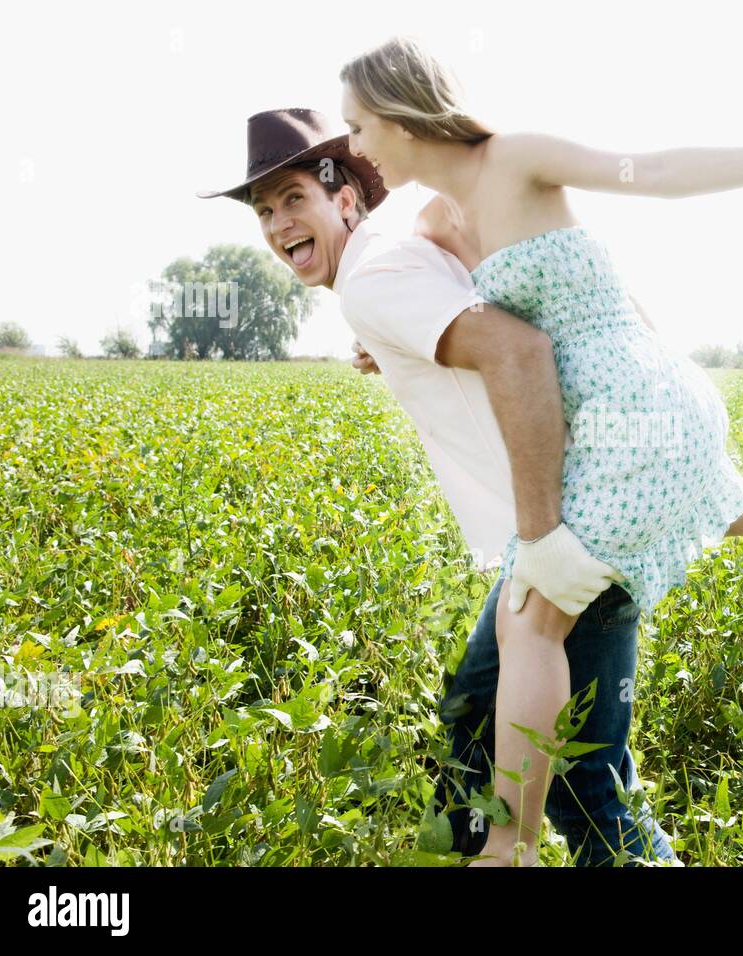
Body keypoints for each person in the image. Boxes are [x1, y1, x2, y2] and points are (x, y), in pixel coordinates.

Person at [337, 35, 743, 866]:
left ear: (399, 111)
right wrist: (383, 347)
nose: (354, 147)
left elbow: (657, 171)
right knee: (719, 498)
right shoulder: (439, 217)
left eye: (358, 124)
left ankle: (508, 847)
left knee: (530, 612)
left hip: (630, 404)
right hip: (634, 407)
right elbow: (437, 307)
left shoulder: (515, 158)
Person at [199, 108, 674, 865]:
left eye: (295, 198)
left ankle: (507, 849)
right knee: (473, 717)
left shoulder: (378, 276)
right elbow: (495, 303)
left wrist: (544, 535)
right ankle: (466, 848)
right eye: (264, 211)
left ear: (344, 199)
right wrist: (402, 350)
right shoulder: (394, 258)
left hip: (568, 531)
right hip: (584, 514)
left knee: (586, 788)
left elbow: (519, 348)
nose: (279, 223)